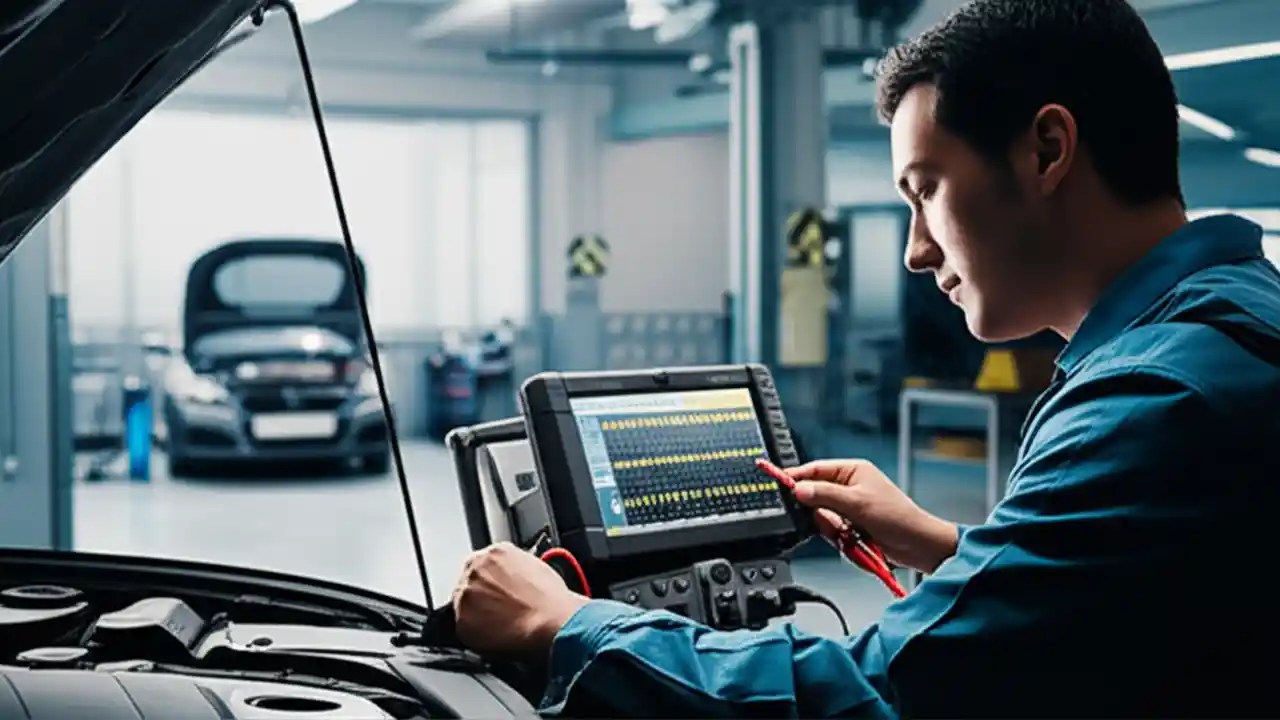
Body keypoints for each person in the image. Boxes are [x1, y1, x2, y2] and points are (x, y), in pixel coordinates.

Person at [450, 0, 1280, 715]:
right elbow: (1144, 608)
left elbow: (880, 694)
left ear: (1047, 151)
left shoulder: (1155, 401)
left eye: (925, 190)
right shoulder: (1239, 318)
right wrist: (946, 549)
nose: (918, 251)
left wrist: (563, 624)